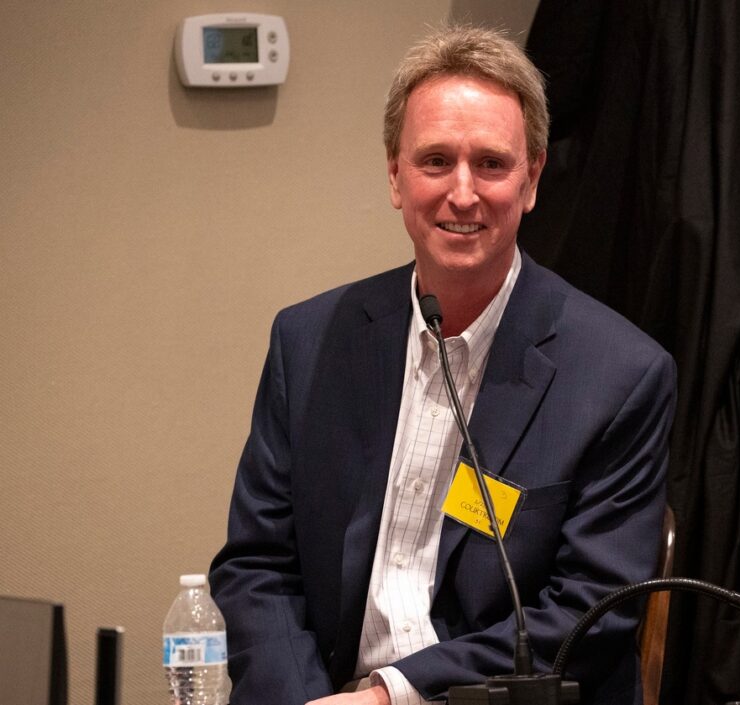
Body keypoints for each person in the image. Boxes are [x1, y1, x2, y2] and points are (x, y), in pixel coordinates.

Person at [209, 25, 676, 705]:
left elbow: (585, 610)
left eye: (491, 163)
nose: (464, 193)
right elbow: (258, 567)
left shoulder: (620, 374)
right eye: (435, 161)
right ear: (395, 177)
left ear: (533, 178)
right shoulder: (308, 341)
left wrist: (387, 697)